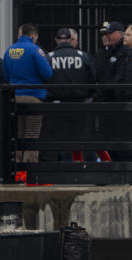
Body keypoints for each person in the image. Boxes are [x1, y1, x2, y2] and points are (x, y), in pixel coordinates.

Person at [2, 23, 53, 163]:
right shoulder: (35, 50)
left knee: (18, 133)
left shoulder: (9, 50)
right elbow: (47, 73)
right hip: (33, 96)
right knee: (32, 133)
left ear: (20, 34)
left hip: (14, 97)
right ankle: (30, 167)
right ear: (33, 35)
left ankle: (17, 166)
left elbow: (5, 75)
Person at [47, 27, 97, 161]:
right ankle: (84, 163)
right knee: (81, 136)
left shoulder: (49, 57)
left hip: (57, 104)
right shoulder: (82, 56)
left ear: (56, 40)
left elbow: (44, 78)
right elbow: (93, 78)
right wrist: (89, 96)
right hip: (79, 103)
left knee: (61, 136)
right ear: (70, 40)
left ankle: (65, 163)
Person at [95, 21, 127, 102]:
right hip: (107, 96)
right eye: (105, 34)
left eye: (110, 33)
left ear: (120, 33)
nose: (106, 36)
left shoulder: (125, 51)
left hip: (117, 97)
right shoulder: (107, 51)